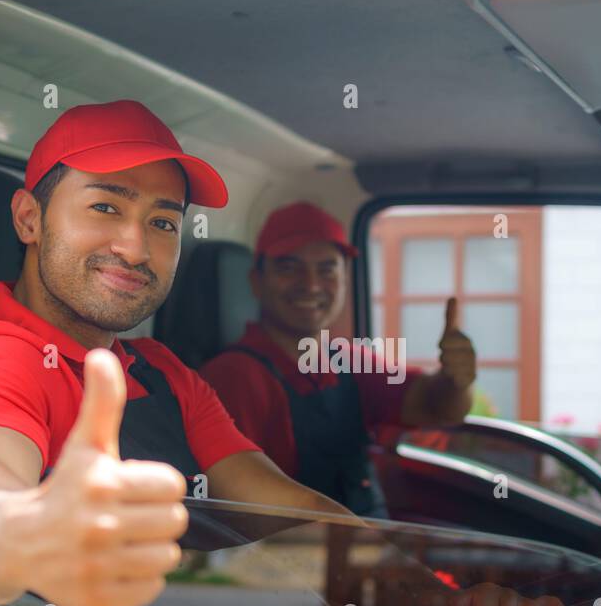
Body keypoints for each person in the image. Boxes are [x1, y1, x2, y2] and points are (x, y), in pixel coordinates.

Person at [0, 99, 562, 606]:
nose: (135, 245)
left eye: (163, 223)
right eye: (105, 206)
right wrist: (22, 533)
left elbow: (290, 509)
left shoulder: (160, 369)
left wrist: (440, 603)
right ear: (30, 218)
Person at [199, 202, 476, 517]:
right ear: (256, 282)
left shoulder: (350, 362)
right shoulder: (233, 378)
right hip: (293, 556)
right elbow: (236, 507)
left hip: (359, 547)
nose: (311, 284)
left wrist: (457, 380)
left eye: (327, 269)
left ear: (345, 280)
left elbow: (434, 407)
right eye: (289, 267)